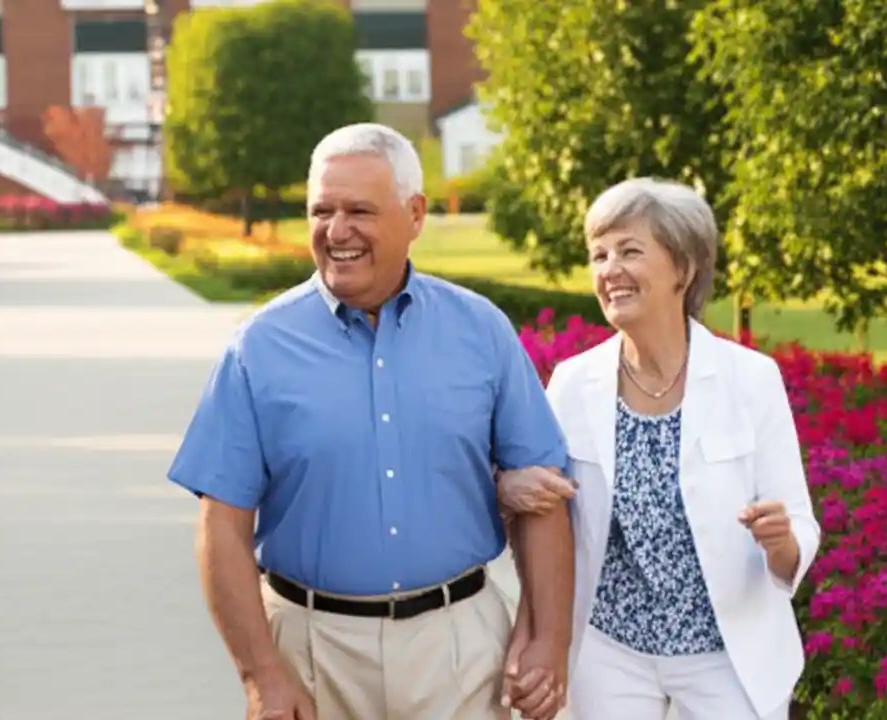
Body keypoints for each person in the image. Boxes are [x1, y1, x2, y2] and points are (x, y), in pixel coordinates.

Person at [166, 122, 576, 720]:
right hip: (311, 652)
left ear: (414, 214)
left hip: (458, 652)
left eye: (359, 210)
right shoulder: (258, 347)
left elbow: (544, 495)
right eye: (321, 211)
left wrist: (549, 640)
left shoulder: (480, 330)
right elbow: (220, 528)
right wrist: (261, 676)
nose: (337, 231)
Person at [498, 177, 821, 719]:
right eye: (598, 255)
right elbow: (543, 511)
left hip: (726, 652)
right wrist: (507, 486)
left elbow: (800, 526)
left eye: (629, 251)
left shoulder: (751, 379)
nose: (609, 271)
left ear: (684, 268)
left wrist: (779, 540)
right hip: (608, 649)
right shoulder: (574, 383)